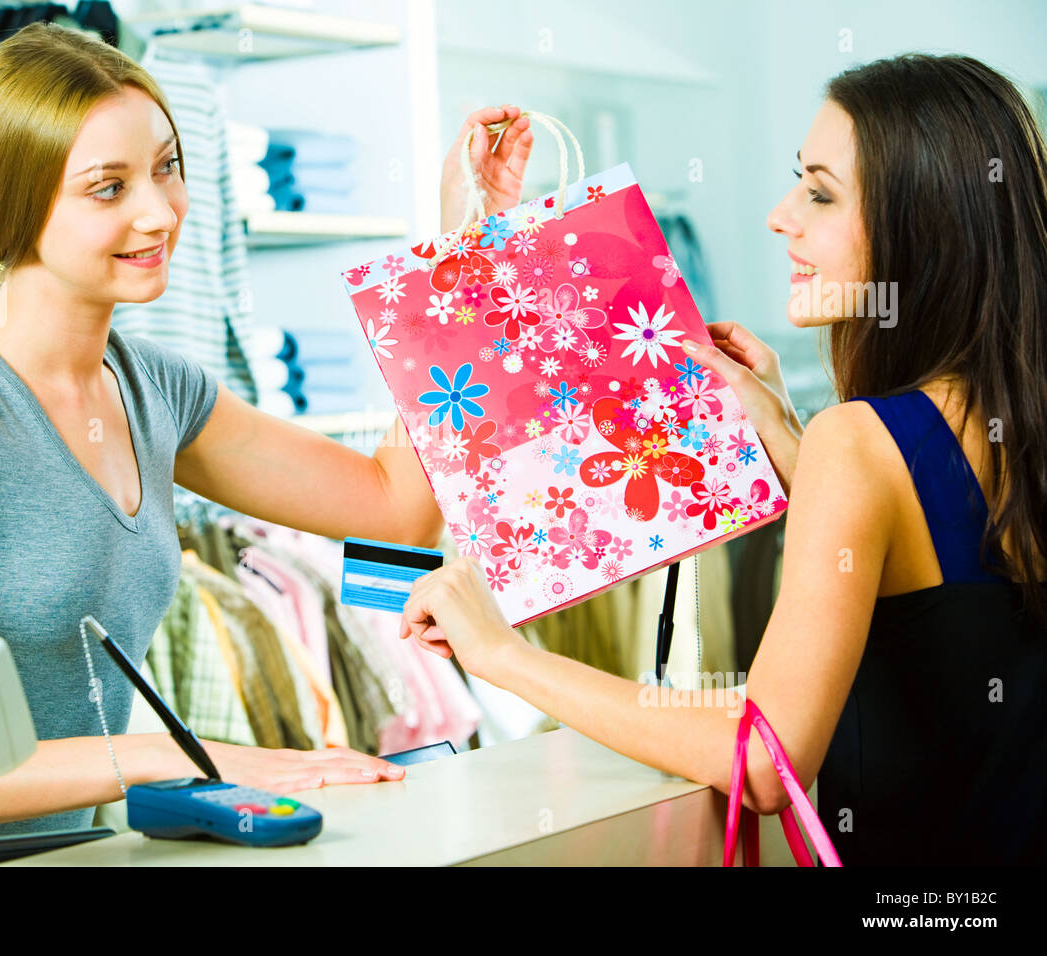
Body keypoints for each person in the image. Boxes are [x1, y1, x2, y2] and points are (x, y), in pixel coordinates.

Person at [0, 22, 536, 858]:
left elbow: (398, 511)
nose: (160, 212)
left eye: (167, 167)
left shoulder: (156, 389)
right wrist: (173, 758)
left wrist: (466, 257)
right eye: (108, 188)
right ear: (15, 204)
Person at [398, 53, 1047, 866]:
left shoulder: (862, 440)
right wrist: (790, 442)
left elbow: (764, 760)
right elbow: (951, 610)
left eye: (819, 191)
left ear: (927, 224)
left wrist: (501, 655)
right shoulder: (1001, 425)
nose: (781, 217)